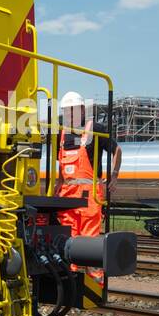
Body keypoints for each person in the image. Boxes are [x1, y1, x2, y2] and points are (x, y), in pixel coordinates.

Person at [55, 92, 120, 264]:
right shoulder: (61, 134)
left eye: (73, 110)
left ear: (82, 110)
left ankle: (93, 281)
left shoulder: (95, 129)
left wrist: (114, 176)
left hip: (89, 195)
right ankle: (72, 277)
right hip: (67, 194)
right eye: (66, 111)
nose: (69, 114)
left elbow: (117, 151)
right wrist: (58, 185)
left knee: (89, 240)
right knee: (68, 238)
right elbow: (61, 165)